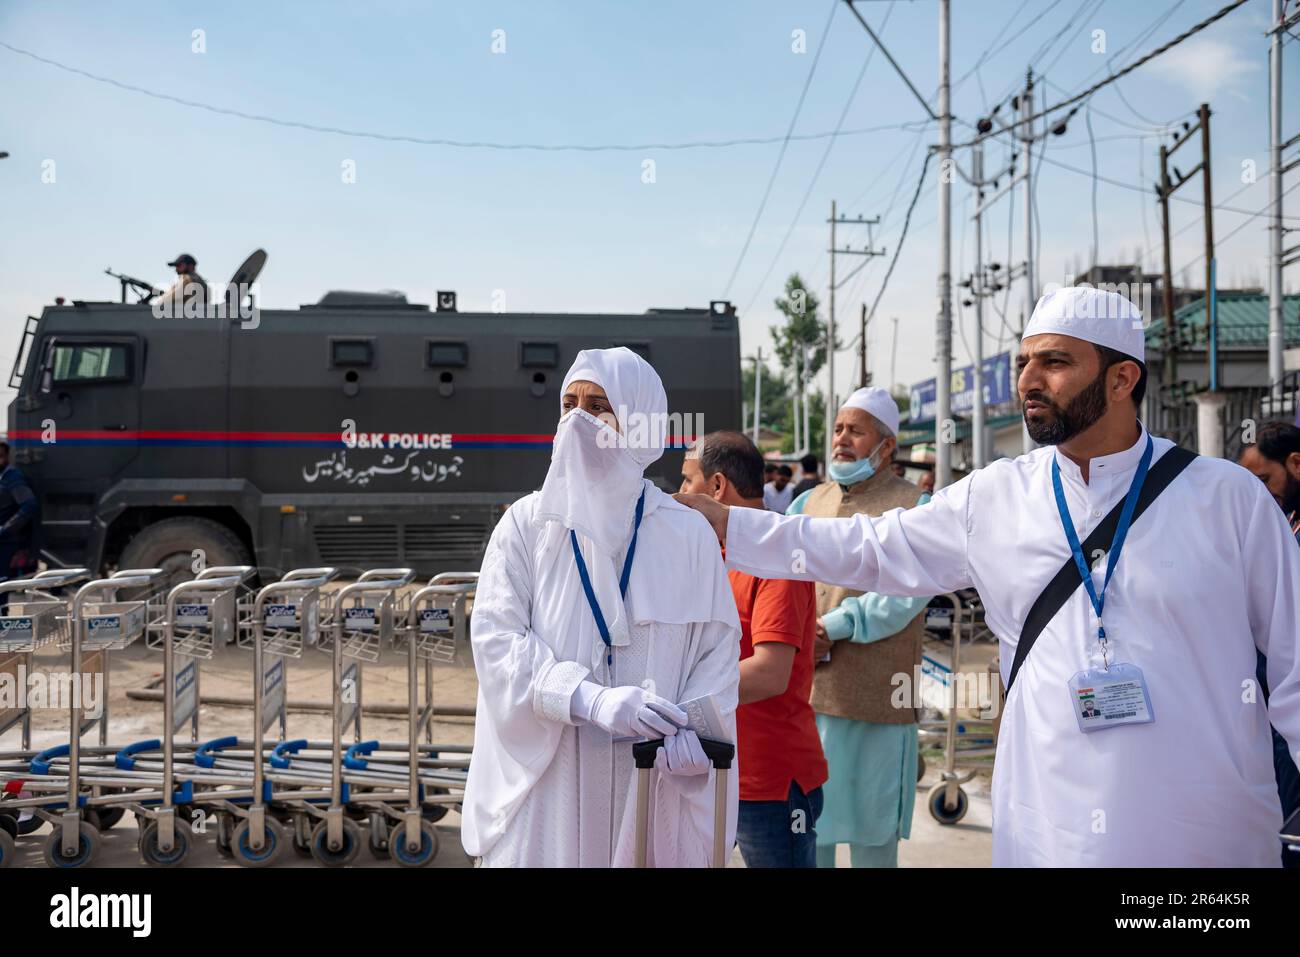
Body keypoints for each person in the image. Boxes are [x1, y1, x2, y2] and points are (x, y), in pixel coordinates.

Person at [677, 286, 1300, 867]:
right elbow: (868, 548)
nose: (1028, 380)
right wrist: (728, 525)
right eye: (1023, 361)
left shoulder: (1229, 501)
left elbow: (1296, 670)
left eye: (1054, 361)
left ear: (1122, 378)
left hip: (1207, 839)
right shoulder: (998, 497)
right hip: (1051, 830)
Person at [462, 347, 740, 867]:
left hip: (652, 780)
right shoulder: (526, 526)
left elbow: (718, 652)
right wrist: (584, 699)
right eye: (569, 404)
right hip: (552, 785)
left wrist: (694, 731)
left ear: (638, 421)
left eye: (597, 406)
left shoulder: (686, 533)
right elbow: (497, 642)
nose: (577, 420)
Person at [786, 387, 932, 869]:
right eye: (838, 429)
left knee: (873, 837)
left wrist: (831, 626)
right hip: (810, 695)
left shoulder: (915, 506)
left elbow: (904, 594)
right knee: (814, 832)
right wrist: (801, 628)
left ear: (885, 446)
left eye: (856, 430)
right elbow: (785, 576)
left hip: (878, 698)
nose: (841, 439)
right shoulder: (808, 502)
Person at [680, 431, 827, 867]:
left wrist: (676, 697)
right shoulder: (718, 554)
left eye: (688, 481)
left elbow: (769, 673)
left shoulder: (777, 557)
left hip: (770, 785)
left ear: (717, 487)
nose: (681, 493)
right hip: (719, 771)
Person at [1239, 421, 1300, 857]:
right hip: (1274, 723)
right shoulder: (1284, 526)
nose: (1260, 494)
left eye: (1265, 480)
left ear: (1296, 464)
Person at [0, 441, 38, 584]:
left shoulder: (12, 477)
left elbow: (29, 505)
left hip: (5, 543)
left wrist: (5, 529)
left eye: (0, 456)